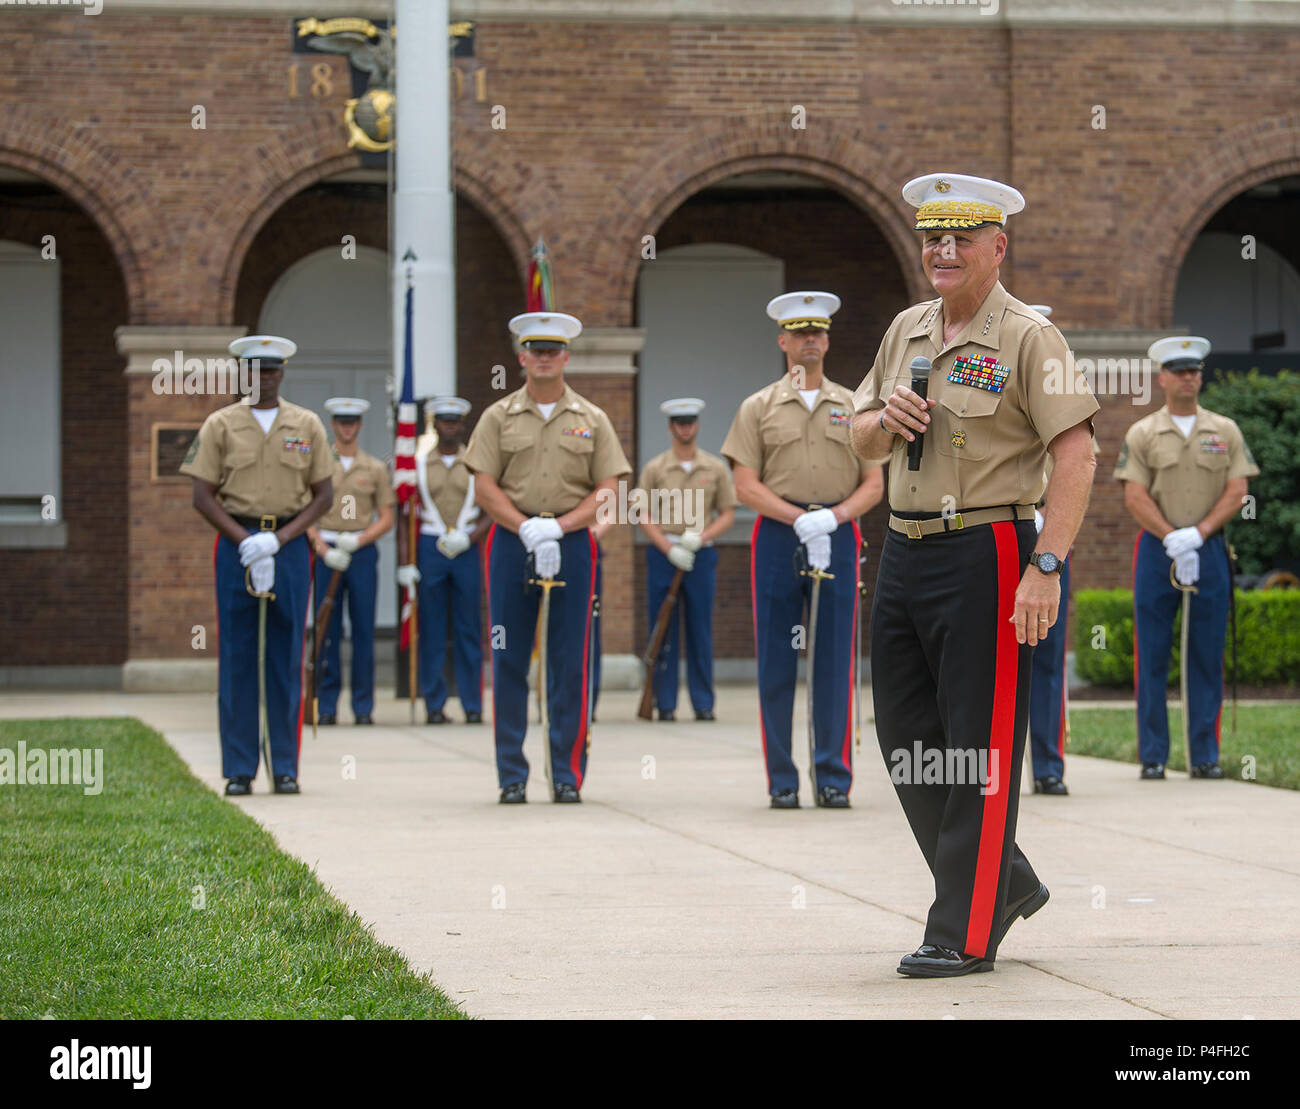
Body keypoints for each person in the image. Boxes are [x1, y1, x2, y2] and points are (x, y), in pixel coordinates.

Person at [850, 174, 1099, 977]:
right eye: (933, 237)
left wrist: (1046, 565)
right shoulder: (906, 328)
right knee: (906, 742)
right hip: (903, 545)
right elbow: (856, 435)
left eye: (963, 238)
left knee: (979, 746)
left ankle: (964, 929)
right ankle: (1008, 880)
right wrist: (880, 421)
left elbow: (1077, 452)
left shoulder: (1030, 338)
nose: (944, 251)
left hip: (987, 549)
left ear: (999, 246)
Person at [721, 292, 884, 810]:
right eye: (800, 332)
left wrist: (831, 519)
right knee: (776, 658)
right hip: (778, 533)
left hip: (837, 531)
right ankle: (782, 779)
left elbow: (874, 483)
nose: (810, 340)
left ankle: (833, 777)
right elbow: (744, 484)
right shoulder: (757, 407)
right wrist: (798, 519)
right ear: (783, 341)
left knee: (835, 657)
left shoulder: (854, 405)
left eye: (818, 331)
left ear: (828, 340)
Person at [463, 312, 632, 803]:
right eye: (535, 349)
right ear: (521, 357)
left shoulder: (592, 419)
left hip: (573, 542)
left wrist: (559, 527)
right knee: (508, 657)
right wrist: (525, 527)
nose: (543, 357)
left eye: (552, 350)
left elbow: (607, 488)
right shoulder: (497, 417)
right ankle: (511, 774)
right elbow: (483, 484)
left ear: (566, 357)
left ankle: (566, 774)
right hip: (512, 542)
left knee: (569, 659)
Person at [180, 335, 334, 795]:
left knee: (287, 656)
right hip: (236, 544)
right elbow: (201, 496)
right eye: (254, 370)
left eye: (271, 370)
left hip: (287, 546)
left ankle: (285, 767)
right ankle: (240, 769)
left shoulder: (306, 424)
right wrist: (246, 541)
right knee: (238, 658)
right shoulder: (220, 425)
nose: (262, 378)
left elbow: (324, 495)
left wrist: (280, 539)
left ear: (282, 373)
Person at [1115, 336, 1257, 780]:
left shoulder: (1225, 430)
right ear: (1162, 378)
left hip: (1210, 548)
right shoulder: (1142, 433)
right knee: (1152, 652)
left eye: (1194, 370)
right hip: (1158, 551)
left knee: (1206, 651)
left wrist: (1199, 533)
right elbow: (1134, 494)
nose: (1188, 378)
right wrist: (1172, 535)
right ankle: (1154, 755)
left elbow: (1238, 490)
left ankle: (1205, 755)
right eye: (1179, 371)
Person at [637, 398, 737, 722]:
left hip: (700, 554)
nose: (685, 428)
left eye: (690, 422)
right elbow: (643, 514)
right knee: (663, 628)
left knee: (700, 629)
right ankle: (664, 703)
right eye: (679, 423)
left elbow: (727, 514)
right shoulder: (655, 468)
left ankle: (703, 702)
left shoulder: (715, 467)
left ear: (697, 425)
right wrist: (668, 547)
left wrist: (703, 537)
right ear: (670, 427)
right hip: (665, 553)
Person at [397, 397, 489, 725]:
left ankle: (472, 704)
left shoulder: (477, 463)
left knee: (469, 628)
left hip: (466, 545)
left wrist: (471, 537)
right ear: (435, 425)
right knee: (432, 628)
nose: (450, 427)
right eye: (444, 421)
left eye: (455, 422)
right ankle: (434, 704)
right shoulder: (418, 465)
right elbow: (406, 514)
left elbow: (491, 511)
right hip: (430, 545)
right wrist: (405, 562)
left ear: (462, 425)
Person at [305, 397, 395, 726]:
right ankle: (326, 705)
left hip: (359, 548)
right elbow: (305, 511)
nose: (346, 427)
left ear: (359, 426)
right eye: (341, 421)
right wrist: (321, 546)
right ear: (332, 424)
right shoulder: (318, 465)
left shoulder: (373, 467)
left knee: (363, 630)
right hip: (327, 549)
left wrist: (358, 539)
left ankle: (362, 706)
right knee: (327, 629)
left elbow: (386, 517)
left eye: (352, 421)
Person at [1024, 306, 1071, 796]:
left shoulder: (1063, 393)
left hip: (1045, 532)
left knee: (1049, 660)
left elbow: (1076, 465)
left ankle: (1049, 765)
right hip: (993, 530)